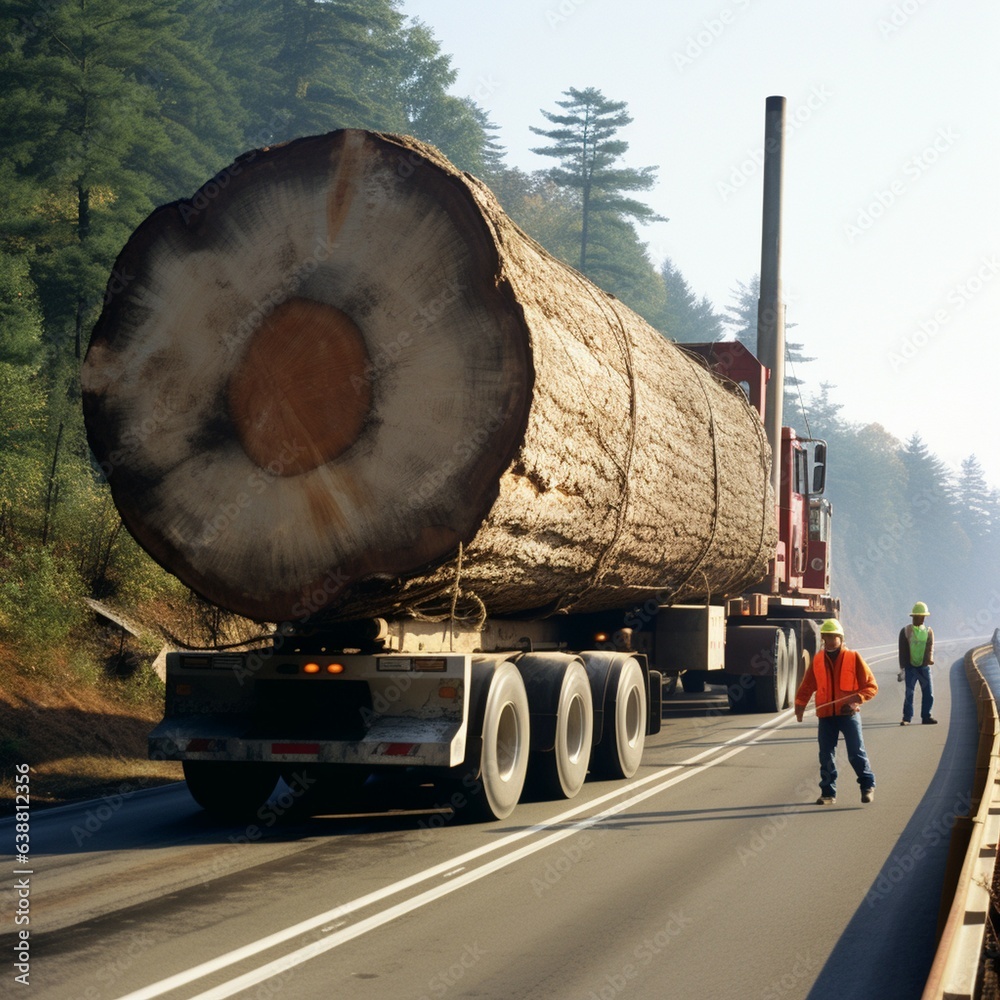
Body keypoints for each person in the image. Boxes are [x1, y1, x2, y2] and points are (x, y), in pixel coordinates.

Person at [794, 618, 878, 805]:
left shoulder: (853, 658)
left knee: (856, 752)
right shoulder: (817, 661)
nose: (830, 640)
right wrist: (799, 708)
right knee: (826, 755)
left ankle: (867, 786)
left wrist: (856, 701)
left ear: (841, 638)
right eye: (827, 637)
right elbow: (807, 686)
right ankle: (828, 794)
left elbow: (871, 686)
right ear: (822, 638)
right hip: (826, 717)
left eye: (834, 637)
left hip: (848, 715)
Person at [899, 601, 936, 725]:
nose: (920, 619)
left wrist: (929, 660)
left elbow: (930, 647)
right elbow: (902, 651)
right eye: (917, 617)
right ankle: (907, 718)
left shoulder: (928, 631)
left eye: (922, 617)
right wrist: (903, 668)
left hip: (923, 666)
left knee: (928, 693)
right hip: (910, 667)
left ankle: (926, 716)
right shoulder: (906, 631)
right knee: (909, 693)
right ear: (913, 617)